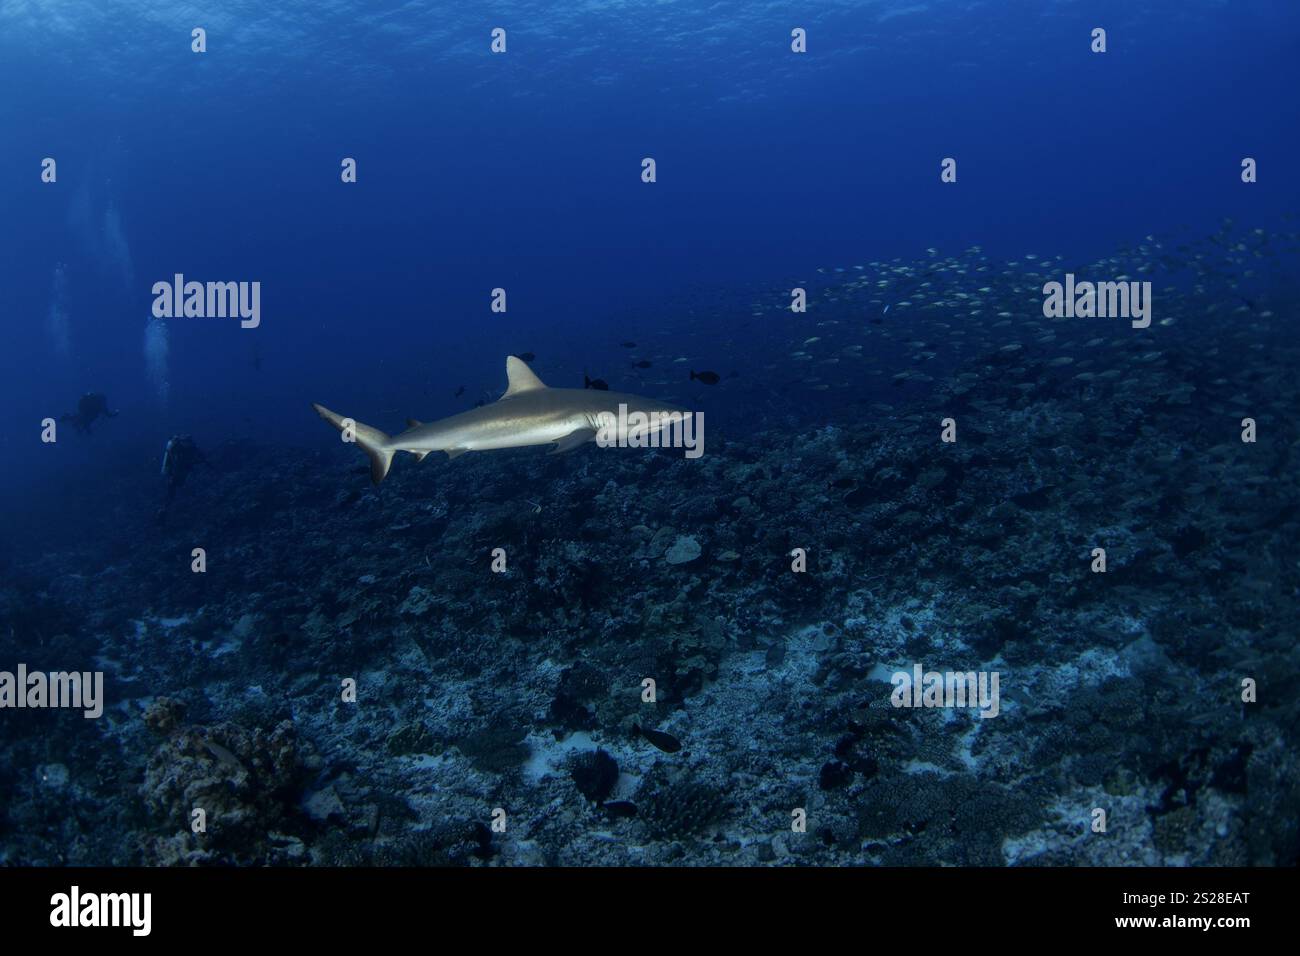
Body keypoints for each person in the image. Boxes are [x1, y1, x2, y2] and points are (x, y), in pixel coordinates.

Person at [157, 435, 209, 523]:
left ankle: (164, 510)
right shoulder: (185, 449)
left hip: (174, 473)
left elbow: (174, 463)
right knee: (175, 490)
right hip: (177, 473)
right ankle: (164, 511)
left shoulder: (178, 448)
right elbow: (196, 459)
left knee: (172, 491)